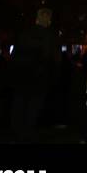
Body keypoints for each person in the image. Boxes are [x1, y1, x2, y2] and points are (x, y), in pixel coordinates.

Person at [10, 8, 58, 142]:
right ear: (48, 20)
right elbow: (50, 58)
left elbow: (15, 55)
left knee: (19, 106)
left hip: (22, 77)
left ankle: (18, 133)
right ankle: (26, 133)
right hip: (38, 78)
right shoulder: (48, 36)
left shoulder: (25, 33)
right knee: (33, 108)